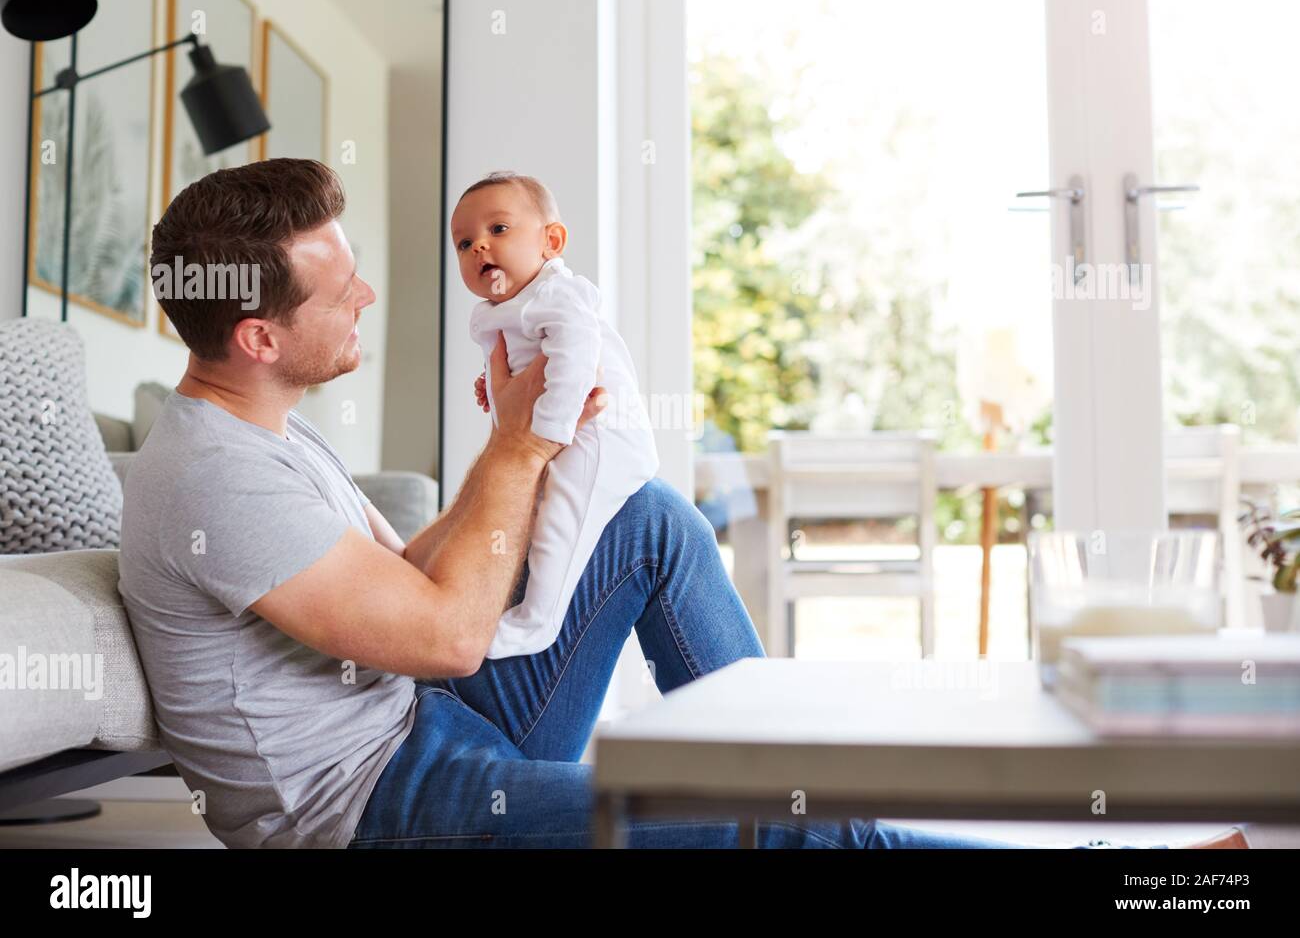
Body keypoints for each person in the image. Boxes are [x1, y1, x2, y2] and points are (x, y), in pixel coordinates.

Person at [118, 157, 1247, 850]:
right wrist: (526, 438)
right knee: (796, 829)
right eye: (339, 284)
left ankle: (759, 752)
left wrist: (515, 446)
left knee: (651, 516)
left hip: (422, 723)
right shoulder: (216, 474)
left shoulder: (264, 427)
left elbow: (408, 581)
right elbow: (453, 635)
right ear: (258, 335)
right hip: (372, 807)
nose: (368, 290)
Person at [457, 170, 659, 659]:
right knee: (530, 516)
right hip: (555, 435)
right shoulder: (507, 304)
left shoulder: (557, 295)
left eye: (498, 230)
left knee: (560, 524)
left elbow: (575, 359)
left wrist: (546, 432)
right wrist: (492, 385)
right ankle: (510, 599)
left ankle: (537, 623)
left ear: (551, 241)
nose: (479, 247)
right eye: (464, 243)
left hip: (595, 437)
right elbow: (522, 362)